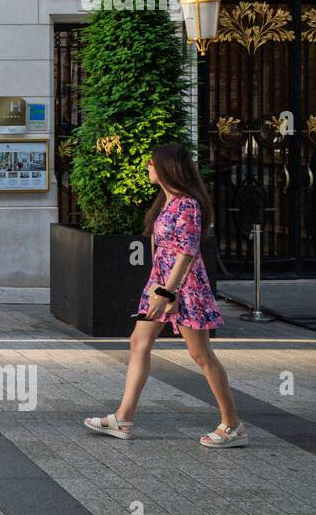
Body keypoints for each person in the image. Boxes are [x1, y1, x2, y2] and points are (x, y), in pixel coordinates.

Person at [85, 144, 245, 447]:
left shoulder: (188, 205)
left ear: (167, 168)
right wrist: (156, 287)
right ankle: (123, 418)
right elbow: (161, 250)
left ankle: (232, 424)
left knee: (200, 354)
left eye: (151, 163)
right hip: (159, 286)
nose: (147, 167)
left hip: (184, 289)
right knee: (138, 342)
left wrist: (167, 291)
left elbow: (187, 253)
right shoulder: (166, 203)